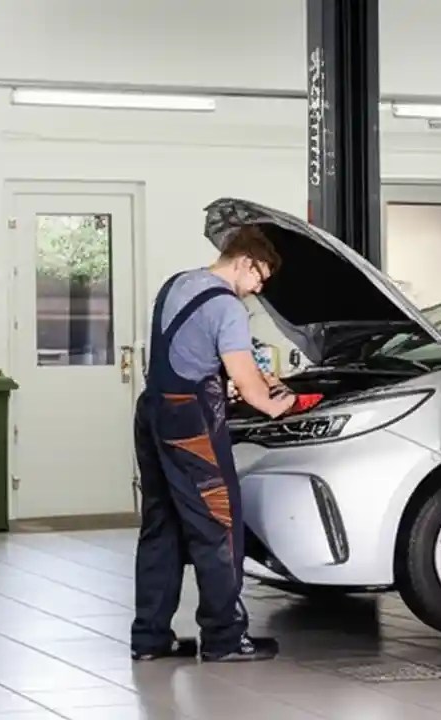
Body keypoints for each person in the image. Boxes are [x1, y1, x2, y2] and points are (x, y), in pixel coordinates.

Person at [130, 224, 296, 663]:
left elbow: (192, 353)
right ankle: (225, 638)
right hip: (191, 421)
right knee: (218, 525)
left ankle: (150, 638)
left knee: (161, 525)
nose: (256, 290)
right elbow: (251, 387)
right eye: (258, 278)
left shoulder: (177, 284)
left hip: (152, 412)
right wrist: (284, 401)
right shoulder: (226, 306)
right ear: (243, 262)